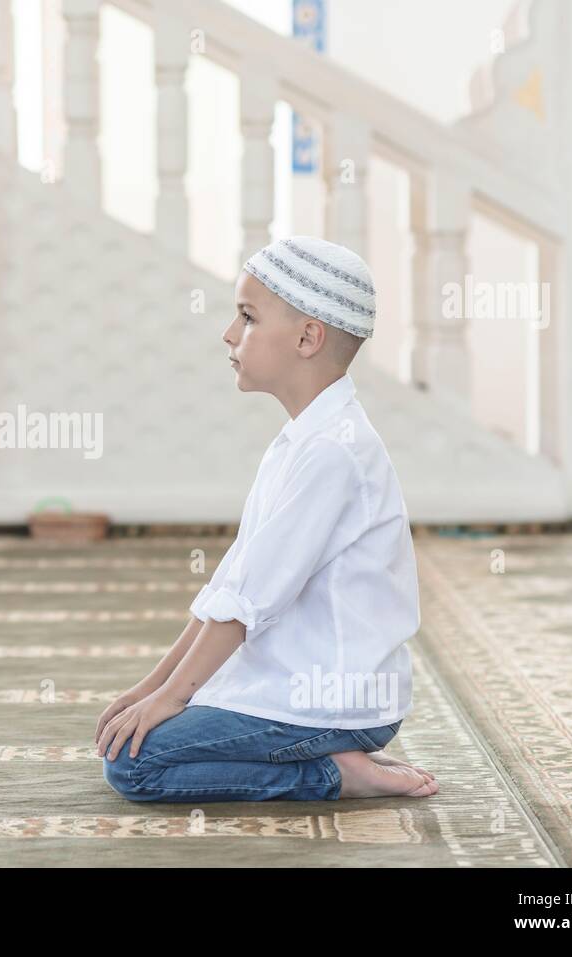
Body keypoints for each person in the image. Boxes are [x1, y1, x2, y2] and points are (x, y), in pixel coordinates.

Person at [97, 236, 438, 802]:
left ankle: (331, 772)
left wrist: (174, 700)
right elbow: (230, 586)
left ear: (308, 337)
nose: (229, 335)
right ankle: (326, 756)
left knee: (137, 766)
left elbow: (250, 601)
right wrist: (151, 687)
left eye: (248, 317)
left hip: (333, 700)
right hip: (296, 687)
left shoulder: (334, 451)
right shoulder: (301, 441)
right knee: (130, 738)